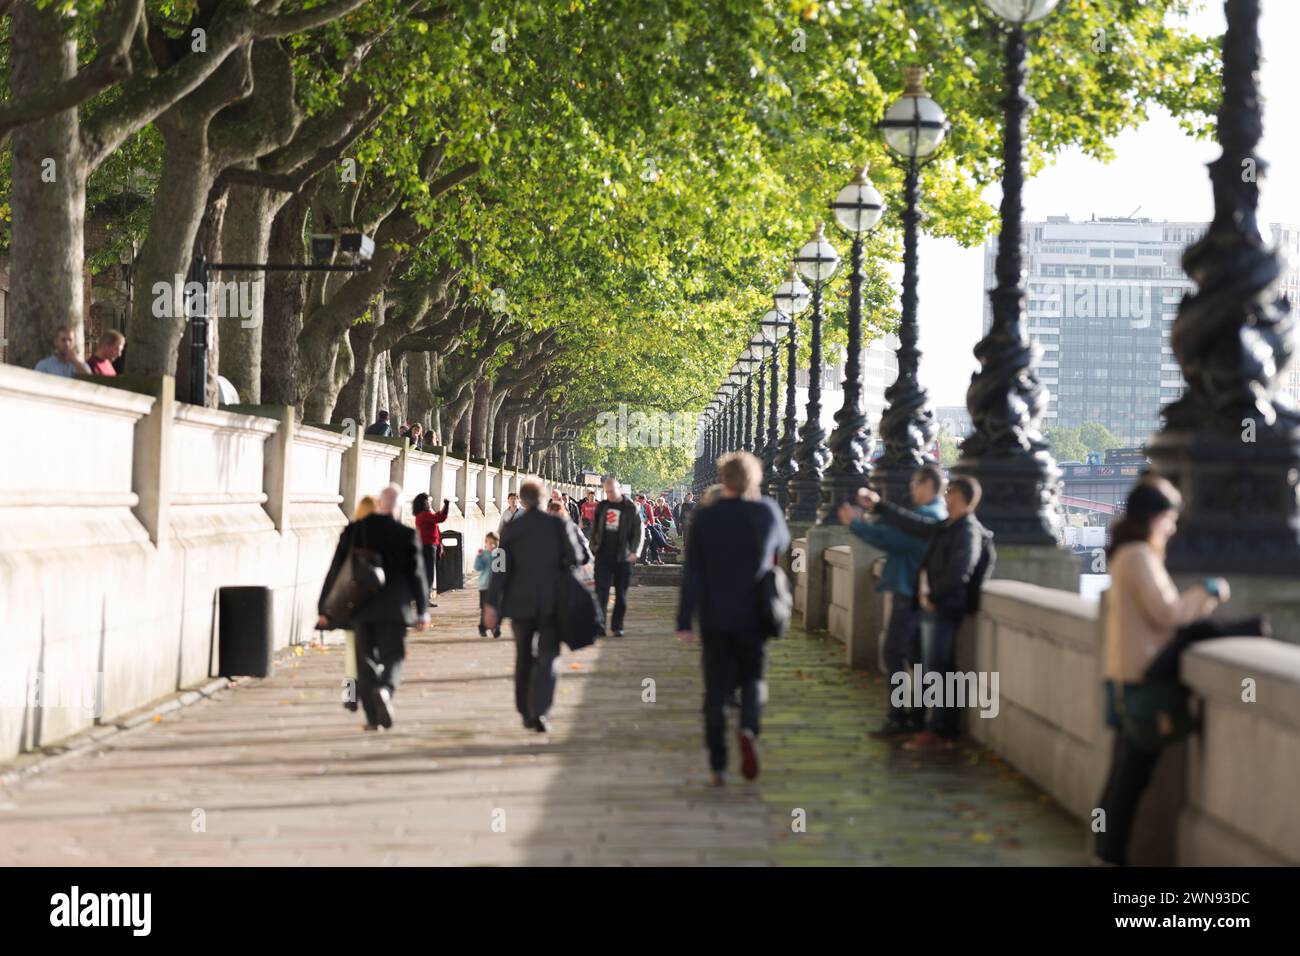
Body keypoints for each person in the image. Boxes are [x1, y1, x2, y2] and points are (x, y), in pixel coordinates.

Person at [1094, 477, 1264, 865]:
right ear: (1153, 519)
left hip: (1124, 677)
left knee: (1123, 777)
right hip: (1142, 680)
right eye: (1169, 519)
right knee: (1129, 781)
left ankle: (1104, 851)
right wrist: (1208, 592)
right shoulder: (1139, 556)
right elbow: (1167, 614)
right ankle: (1108, 855)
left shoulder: (1125, 554)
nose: (1172, 528)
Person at [858, 474, 995, 752]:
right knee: (928, 666)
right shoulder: (948, 526)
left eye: (950, 492)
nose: (945, 497)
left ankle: (934, 728)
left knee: (934, 668)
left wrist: (933, 596)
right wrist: (880, 506)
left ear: (962, 497)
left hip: (942, 607)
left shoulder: (966, 530)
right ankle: (926, 723)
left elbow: (961, 569)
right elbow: (914, 526)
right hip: (930, 605)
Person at [676, 452, 790, 785]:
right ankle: (748, 727)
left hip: (714, 615)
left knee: (714, 689)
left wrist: (684, 620)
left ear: (722, 480)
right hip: (755, 613)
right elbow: (782, 543)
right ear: (754, 480)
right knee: (753, 678)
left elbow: (692, 573)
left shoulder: (706, 518)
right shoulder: (765, 512)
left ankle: (718, 764)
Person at [836, 464, 948, 738]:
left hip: (909, 595)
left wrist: (855, 523)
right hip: (919, 594)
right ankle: (917, 716)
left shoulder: (929, 515)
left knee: (894, 653)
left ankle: (898, 716)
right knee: (916, 658)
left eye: (914, 484)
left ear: (927, 485)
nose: (911, 490)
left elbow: (890, 538)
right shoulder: (937, 513)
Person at [318, 484, 429, 730]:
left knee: (364, 661)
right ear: (398, 507)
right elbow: (418, 575)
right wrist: (422, 609)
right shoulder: (406, 534)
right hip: (394, 608)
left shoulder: (355, 531)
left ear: (380, 503)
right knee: (394, 656)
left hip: (360, 607)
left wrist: (324, 608)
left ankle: (372, 719)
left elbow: (336, 571)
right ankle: (386, 689)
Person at [483, 480, 580, 733]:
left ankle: (524, 711)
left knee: (523, 656)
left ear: (523, 501)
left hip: (519, 603)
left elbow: (500, 566)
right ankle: (541, 709)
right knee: (549, 656)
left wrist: (491, 602)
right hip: (551, 602)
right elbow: (575, 557)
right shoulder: (558, 524)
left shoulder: (512, 529)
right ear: (543, 498)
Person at [331, 495, 377, 713]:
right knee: (372, 651)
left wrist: (325, 607)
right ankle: (371, 690)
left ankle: (350, 694)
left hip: (351, 601)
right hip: (375, 603)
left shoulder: (350, 533)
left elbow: (336, 571)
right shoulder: (384, 535)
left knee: (351, 651)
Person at [591, 477, 643, 637]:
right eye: (606, 492)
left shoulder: (630, 507)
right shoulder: (602, 506)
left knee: (621, 594)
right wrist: (593, 547)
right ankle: (600, 625)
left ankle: (617, 626)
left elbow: (639, 532)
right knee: (601, 592)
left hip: (623, 556)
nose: (609, 495)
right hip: (603, 555)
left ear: (619, 489)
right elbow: (595, 529)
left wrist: (635, 551)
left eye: (611, 491)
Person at [412, 492, 449, 604]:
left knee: (427, 572)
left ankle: (423, 597)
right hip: (427, 546)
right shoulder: (425, 515)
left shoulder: (422, 515)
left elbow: (437, 520)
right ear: (423, 503)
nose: (430, 503)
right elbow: (440, 518)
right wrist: (446, 505)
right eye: (428, 501)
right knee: (428, 573)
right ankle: (425, 598)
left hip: (427, 545)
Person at [474, 531, 502, 638]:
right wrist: (479, 557)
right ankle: (483, 627)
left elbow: (502, 569)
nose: (492, 546)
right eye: (490, 543)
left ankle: (495, 627)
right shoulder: (483, 554)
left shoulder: (499, 554)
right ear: (485, 543)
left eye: (495, 544)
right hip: (484, 586)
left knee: (497, 607)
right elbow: (477, 567)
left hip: (496, 586)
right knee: (485, 608)